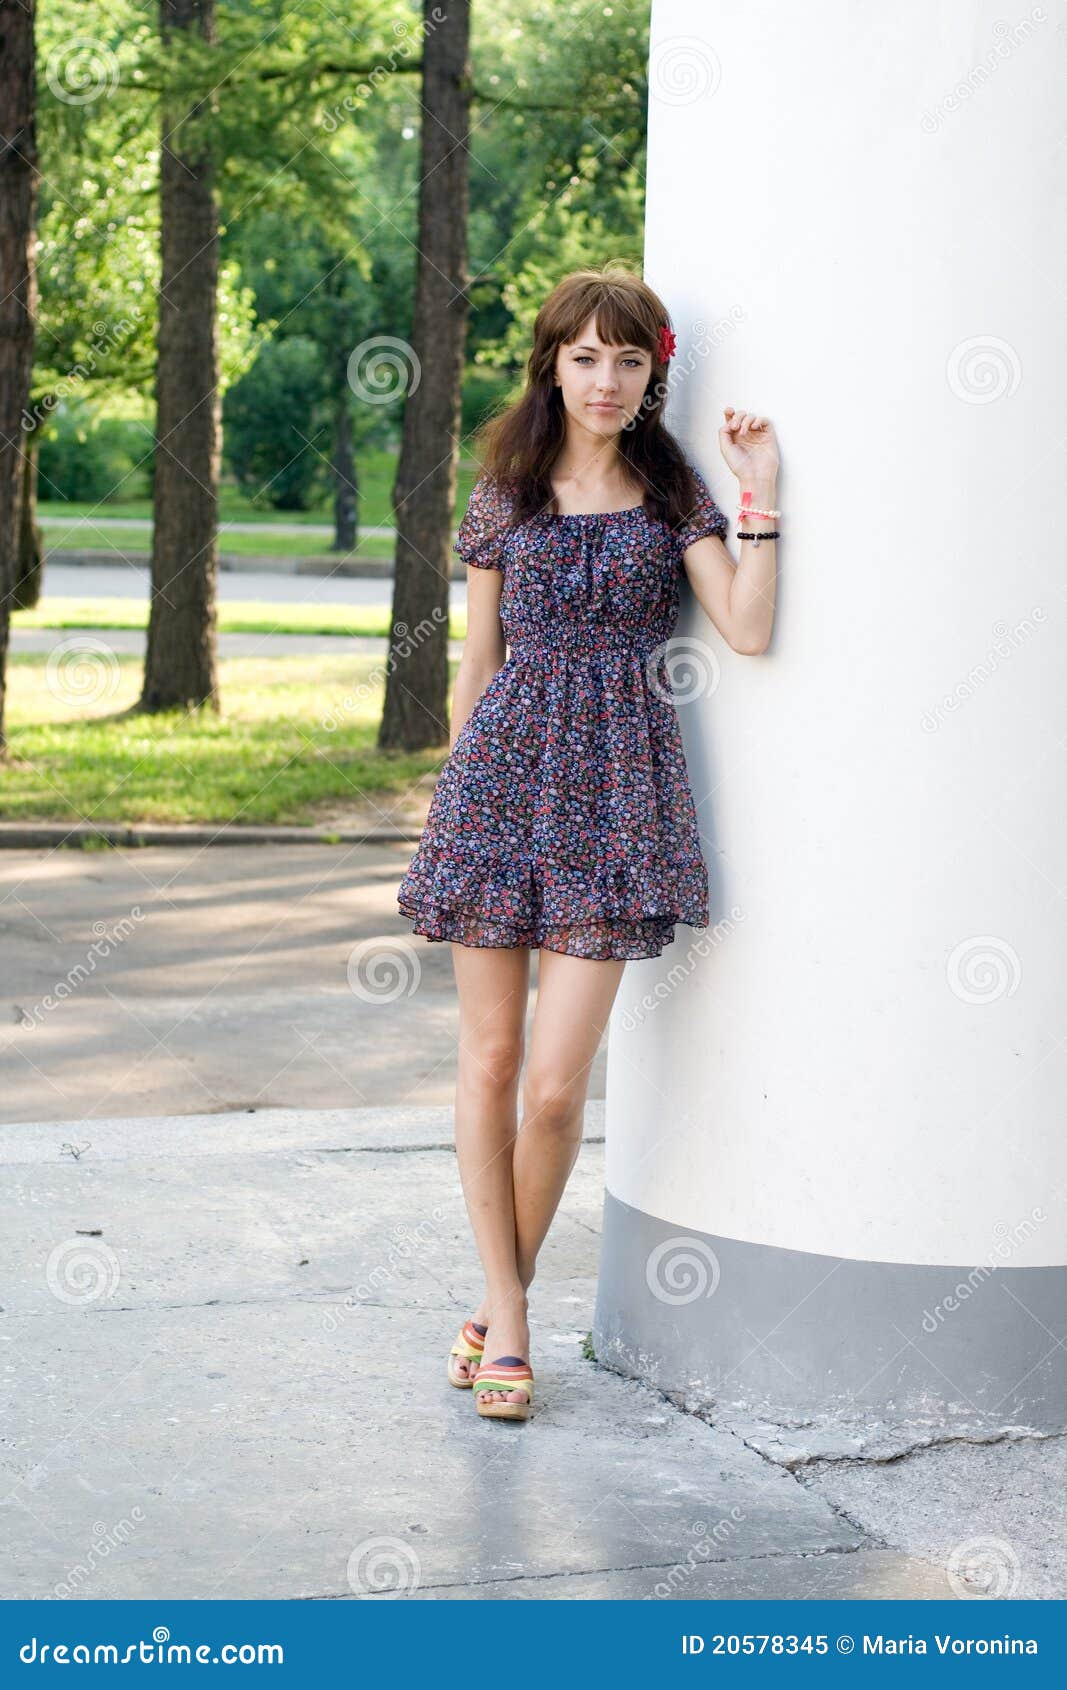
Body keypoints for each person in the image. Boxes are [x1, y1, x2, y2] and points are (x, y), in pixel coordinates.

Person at [396, 266, 779, 1421]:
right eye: (584, 358)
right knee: (488, 1062)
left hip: (616, 799)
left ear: (650, 372)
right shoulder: (505, 493)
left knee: (557, 1088)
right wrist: (453, 797)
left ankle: (490, 1302)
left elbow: (746, 625)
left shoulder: (671, 494)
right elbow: (476, 664)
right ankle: (510, 1323)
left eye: (626, 359)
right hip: (499, 787)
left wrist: (760, 494)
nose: (605, 380)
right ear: (551, 365)